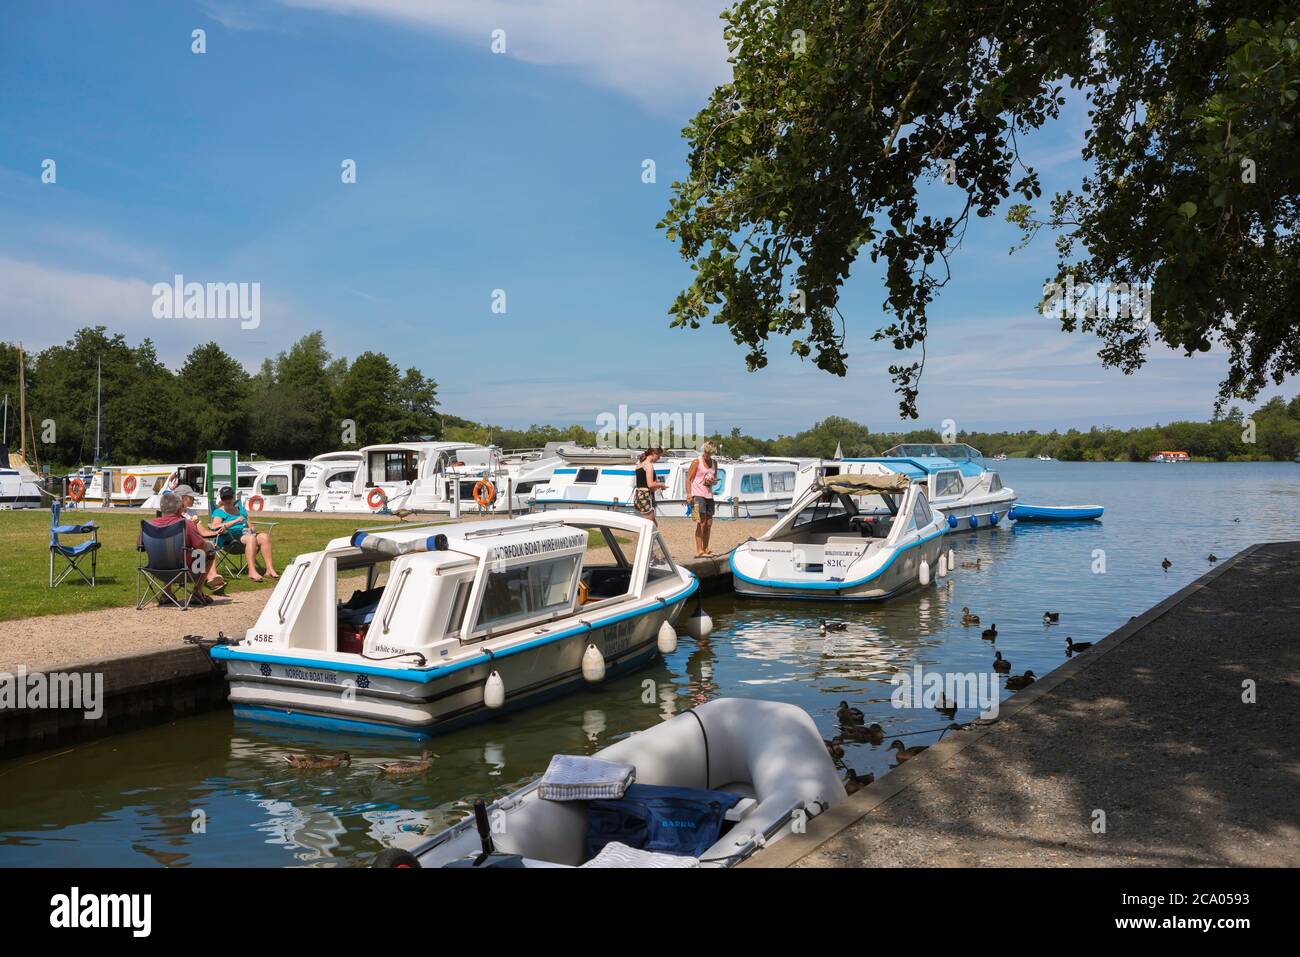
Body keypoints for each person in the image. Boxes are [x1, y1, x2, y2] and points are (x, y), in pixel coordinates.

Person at [138, 490, 214, 606]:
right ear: (179, 508)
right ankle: (197, 591)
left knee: (165, 553)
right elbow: (201, 546)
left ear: (162, 508)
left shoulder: (148, 525)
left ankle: (167, 593)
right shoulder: (186, 524)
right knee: (209, 550)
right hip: (184, 571)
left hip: (156, 570)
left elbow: (139, 546)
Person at [210, 486, 279, 581]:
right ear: (221, 499)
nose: (227, 500)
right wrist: (235, 521)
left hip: (244, 535)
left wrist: (252, 528)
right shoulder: (219, 511)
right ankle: (252, 571)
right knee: (251, 538)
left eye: (229, 497)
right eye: (224, 498)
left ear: (233, 497)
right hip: (229, 540)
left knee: (264, 537)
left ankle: (269, 569)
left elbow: (249, 525)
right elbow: (214, 526)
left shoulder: (240, 509)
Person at [173, 484, 225, 593]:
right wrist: (190, 525)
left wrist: (216, 532)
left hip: (177, 554)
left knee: (206, 545)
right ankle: (202, 586)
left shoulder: (192, 513)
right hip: (181, 551)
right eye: (192, 497)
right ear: (184, 498)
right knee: (207, 547)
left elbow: (203, 532)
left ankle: (212, 578)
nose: (194, 499)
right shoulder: (172, 513)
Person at [686, 441, 719, 558]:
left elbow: (715, 479)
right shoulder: (696, 462)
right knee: (700, 523)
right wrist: (689, 495)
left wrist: (713, 482)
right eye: (706, 452)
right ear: (703, 450)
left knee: (709, 524)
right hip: (697, 495)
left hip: (709, 495)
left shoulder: (714, 462)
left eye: (710, 453)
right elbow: (688, 479)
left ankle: (706, 548)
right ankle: (699, 550)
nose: (707, 455)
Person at [632, 448, 666, 524]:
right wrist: (661, 484)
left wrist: (657, 485)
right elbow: (650, 484)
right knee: (651, 526)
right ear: (653, 453)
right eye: (659, 456)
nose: (659, 458)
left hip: (639, 495)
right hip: (645, 496)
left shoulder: (640, 464)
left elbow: (643, 483)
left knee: (652, 524)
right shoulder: (648, 465)